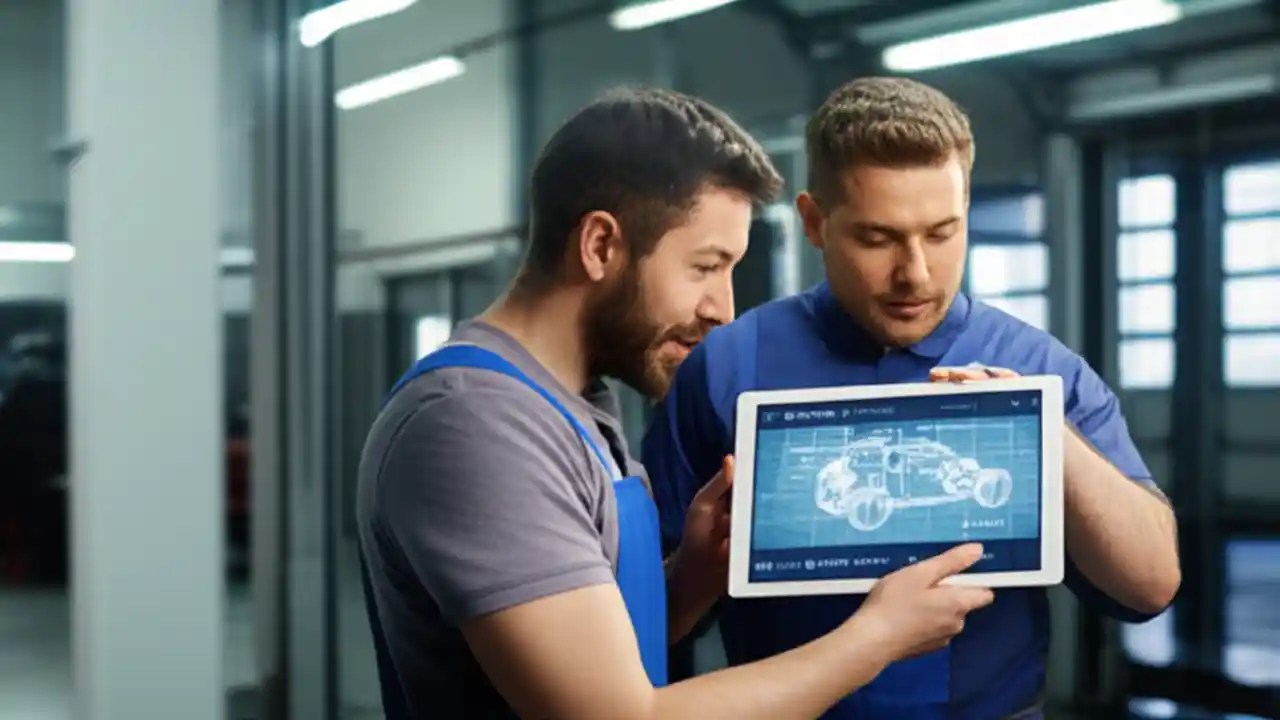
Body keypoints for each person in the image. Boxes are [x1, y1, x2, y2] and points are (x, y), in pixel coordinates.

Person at [356, 86, 997, 720]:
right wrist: (876, 638)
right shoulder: (476, 425)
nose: (723, 309)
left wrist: (690, 580)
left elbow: (583, 654)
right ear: (600, 246)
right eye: (705, 267)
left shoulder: (567, 408)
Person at [642, 76, 1183, 720]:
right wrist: (700, 570)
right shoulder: (725, 368)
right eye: (878, 238)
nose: (915, 274)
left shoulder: (1037, 368)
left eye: (942, 232)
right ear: (814, 222)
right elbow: (641, 634)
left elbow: (1151, 584)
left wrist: (1044, 435)